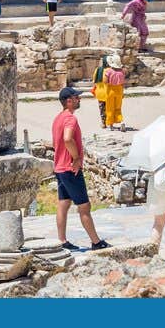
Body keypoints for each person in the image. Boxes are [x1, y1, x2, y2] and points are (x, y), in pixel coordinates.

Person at [52, 87, 109, 252]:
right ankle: (96, 242)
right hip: (71, 169)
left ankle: (62, 240)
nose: (79, 99)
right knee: (84, 206)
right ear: (69, 101)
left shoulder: (58, 118)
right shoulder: (70, 119)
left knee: (63, 203)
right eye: (76, 97)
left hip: (60, 167)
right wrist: (76, 158)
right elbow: (67, 139)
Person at [101, 55, 125, 129]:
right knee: (118, 108)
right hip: (119, 90)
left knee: (110, 108)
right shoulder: (122, 72)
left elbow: (104, 81)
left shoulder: (109, 71)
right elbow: (123, 83)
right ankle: (121, 122)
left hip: (111, 90)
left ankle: (111, 125)